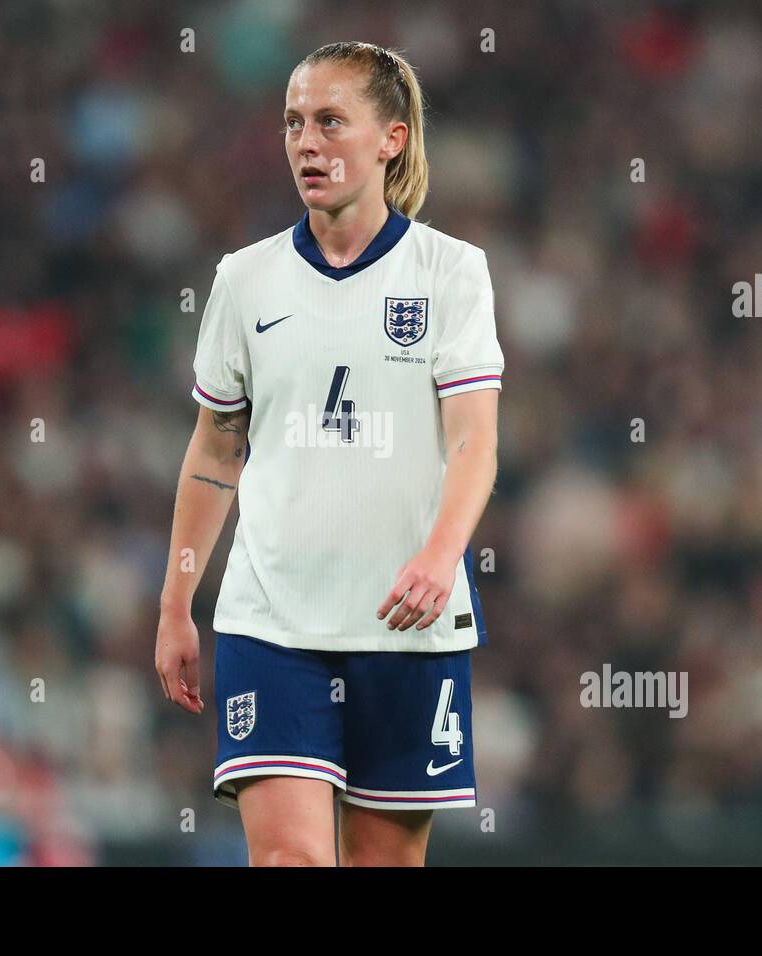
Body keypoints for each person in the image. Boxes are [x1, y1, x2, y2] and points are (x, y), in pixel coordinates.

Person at [155, 41, 504, 866]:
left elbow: (475, 438)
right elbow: (215, 447)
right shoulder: (246, 280)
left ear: (391, 138)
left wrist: (440, 553)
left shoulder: (451, 272)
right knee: (291, 862)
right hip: (272, 621)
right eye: (293, 124)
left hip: (407, 623)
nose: (307, 143)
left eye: (330, 122)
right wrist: (177, 600)